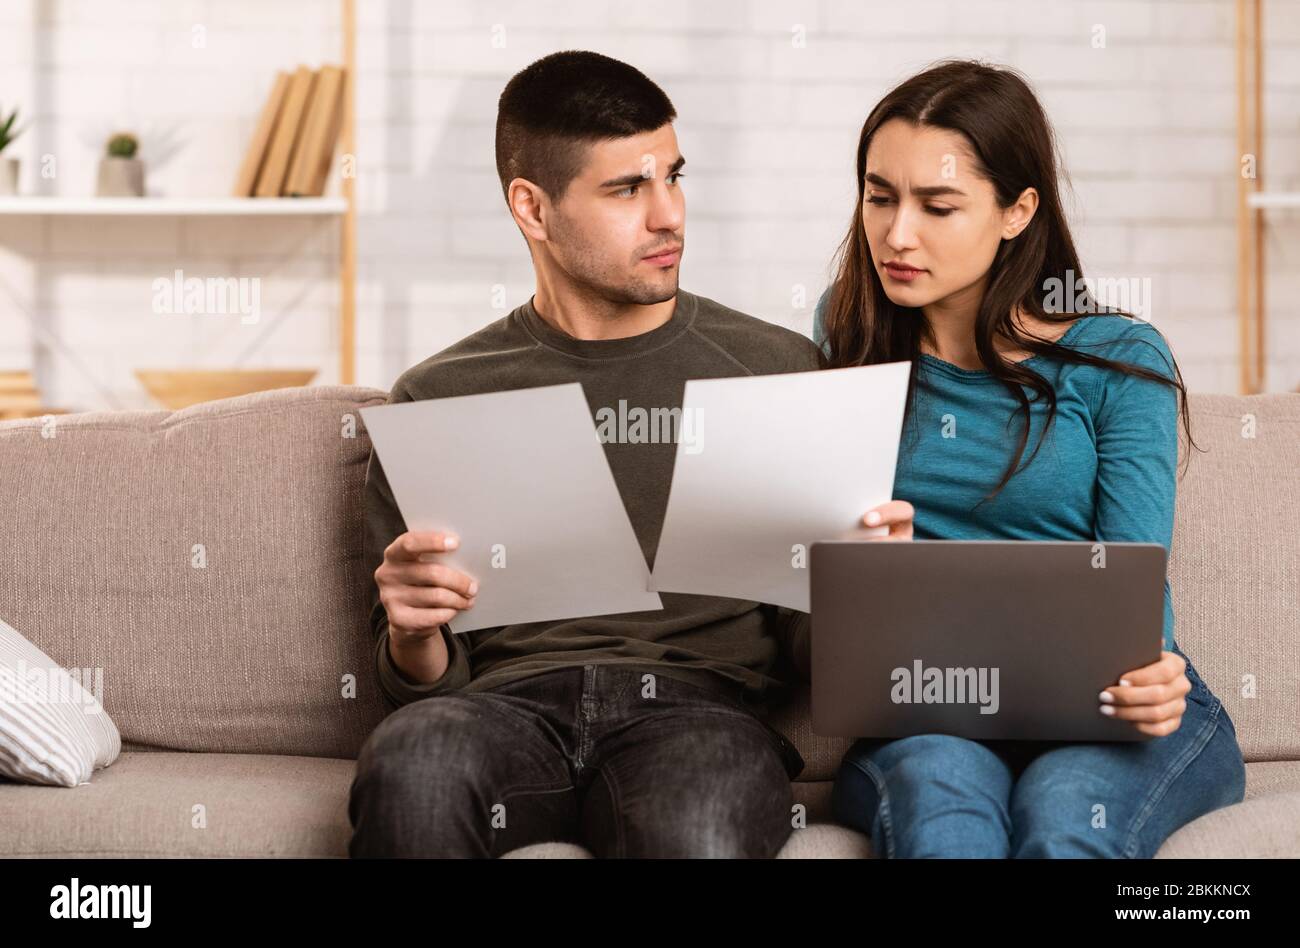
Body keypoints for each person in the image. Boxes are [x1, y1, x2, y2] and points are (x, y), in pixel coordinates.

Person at [347, 50, 913, 858]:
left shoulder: (773, 368)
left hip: (698, 713)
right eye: (627, 189)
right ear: (532, 208)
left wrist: (857, 591)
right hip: (500, 712)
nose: (669, 216)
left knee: (694, 826)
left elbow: (813, 658)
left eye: (673, 177)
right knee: (414, 765)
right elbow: (422, 684)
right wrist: (411, 629)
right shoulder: (438, 394)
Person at [816, 60, 1245, 858]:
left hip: (1109, 703)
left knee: (1063, 817)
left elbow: (1132, 581)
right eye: (880, 196)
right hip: (926, 704)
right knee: (943, 814)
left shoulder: (1117, 357)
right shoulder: (847, 345)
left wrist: (1148, 673)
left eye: (938, 205)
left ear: (1018, 211)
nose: (896, 234)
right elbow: (802, 568)